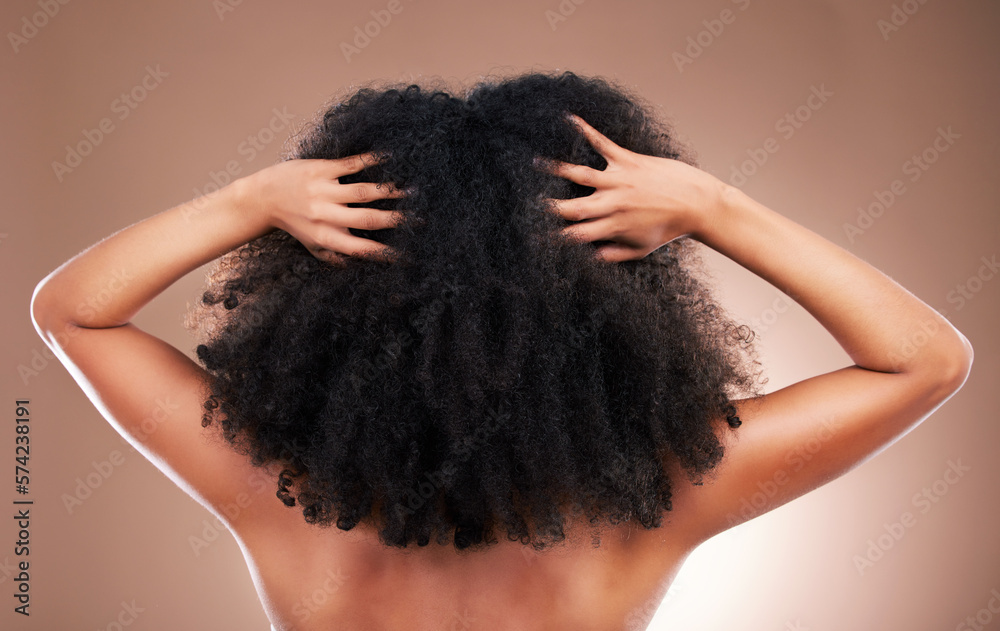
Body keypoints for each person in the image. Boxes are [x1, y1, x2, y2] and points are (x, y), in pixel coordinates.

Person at [30, 72, 972, 631]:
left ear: (336, 305)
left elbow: (73, 312)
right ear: (607, 314)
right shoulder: (663, 494)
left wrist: (251, 200)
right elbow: (925, 358)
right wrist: (711, 206)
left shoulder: (271, 483)